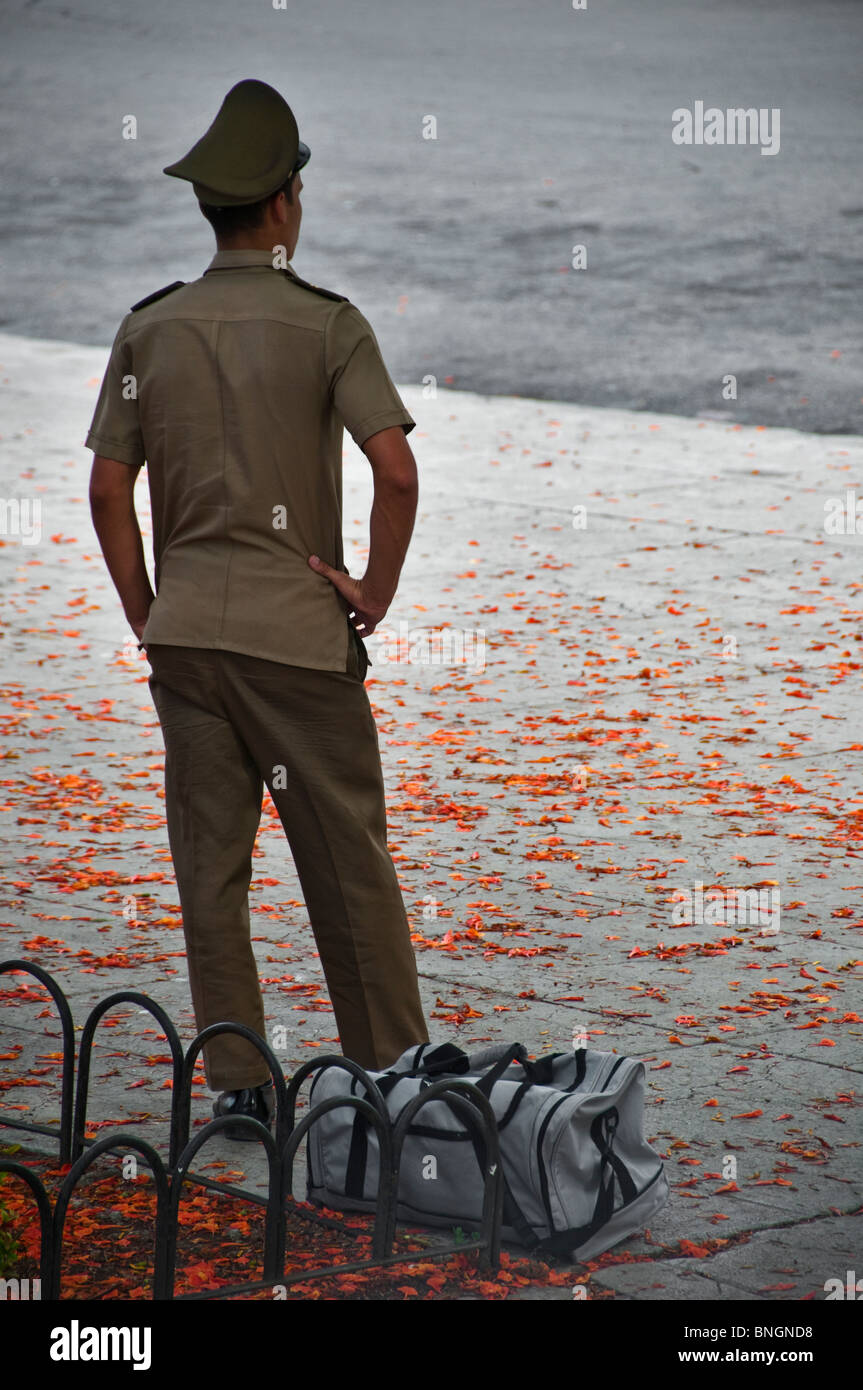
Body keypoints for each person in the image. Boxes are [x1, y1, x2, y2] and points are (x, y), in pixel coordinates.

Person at [85, 78, 429, 1139]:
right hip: (293, 642)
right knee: (346, 864)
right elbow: (396, 473)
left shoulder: (151, 329)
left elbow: (108, 491)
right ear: (283, 202)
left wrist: (151, 612)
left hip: (186, 636)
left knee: (210, 866)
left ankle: (238, 1082)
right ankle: (392, 1080)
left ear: (211, 208)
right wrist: (371, 591)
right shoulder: (328, 325)